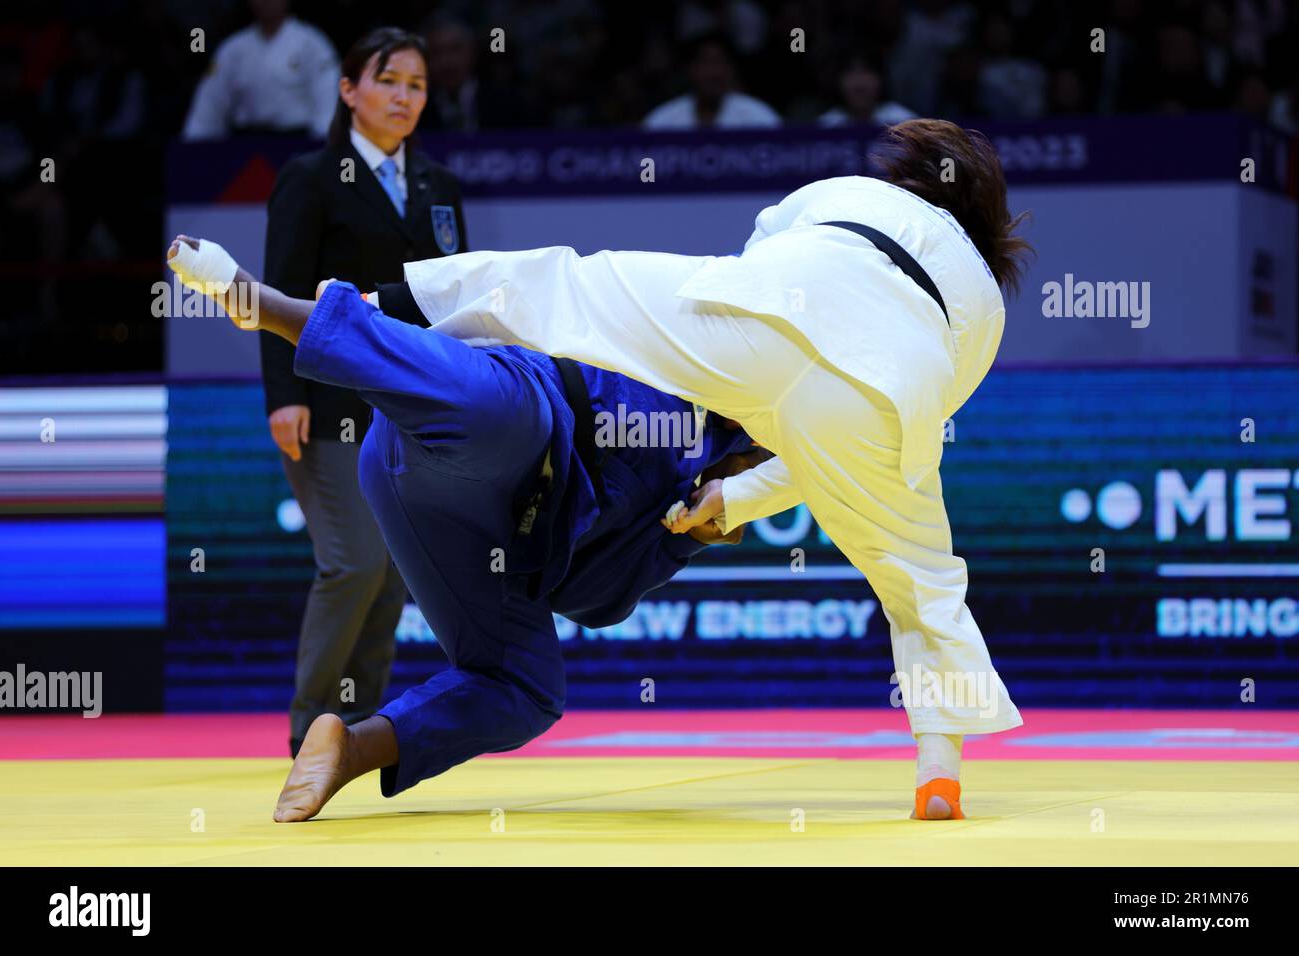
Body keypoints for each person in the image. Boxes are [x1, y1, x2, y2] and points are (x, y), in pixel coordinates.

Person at [167, 118, 1032, 821]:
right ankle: (938, 766)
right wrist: (742, 491)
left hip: (716, 352)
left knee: (565, 290)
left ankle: (351, 745)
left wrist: (728, 495)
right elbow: (849, 454)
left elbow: (771, 293)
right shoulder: (948, 335)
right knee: (922, 580)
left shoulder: (836, 231)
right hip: (511, 428)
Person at [164, 236, 762, 823]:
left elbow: (587, 599)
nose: (762, 465)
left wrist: (683, 538)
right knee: (504, 414)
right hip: (495, 414)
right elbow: (537, 279)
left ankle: (351, 749)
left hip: (455, 514)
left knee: (528, 688)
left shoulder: (687, 490)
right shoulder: (692, 319)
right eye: (763, 457)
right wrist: (387, 302)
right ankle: (277, 309)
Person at [258, 27, 468, 757]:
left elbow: (456, 302)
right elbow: (276, 293)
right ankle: (306, 728)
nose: (405, 97)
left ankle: (352, 731)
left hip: (417, 406)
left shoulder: (439, 186)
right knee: (354, 561)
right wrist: (283, 393)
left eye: (416, 85)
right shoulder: (311, 178)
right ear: (350, 91)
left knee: (394, 574)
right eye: (389, 81)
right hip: (329, 405)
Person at [182, 0, 339, 140]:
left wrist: (323, 150)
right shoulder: (232, 49)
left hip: (296, 145)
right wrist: (193, 148)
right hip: (243, 147)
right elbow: (208, 108)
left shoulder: (313, 44)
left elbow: (327, 106)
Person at [642, 33, 780, 130]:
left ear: (731, 70)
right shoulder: (662, 120)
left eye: (720, 63)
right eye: (705, 62)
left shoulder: (759, 117)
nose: (713, 73)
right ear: (690, 69)